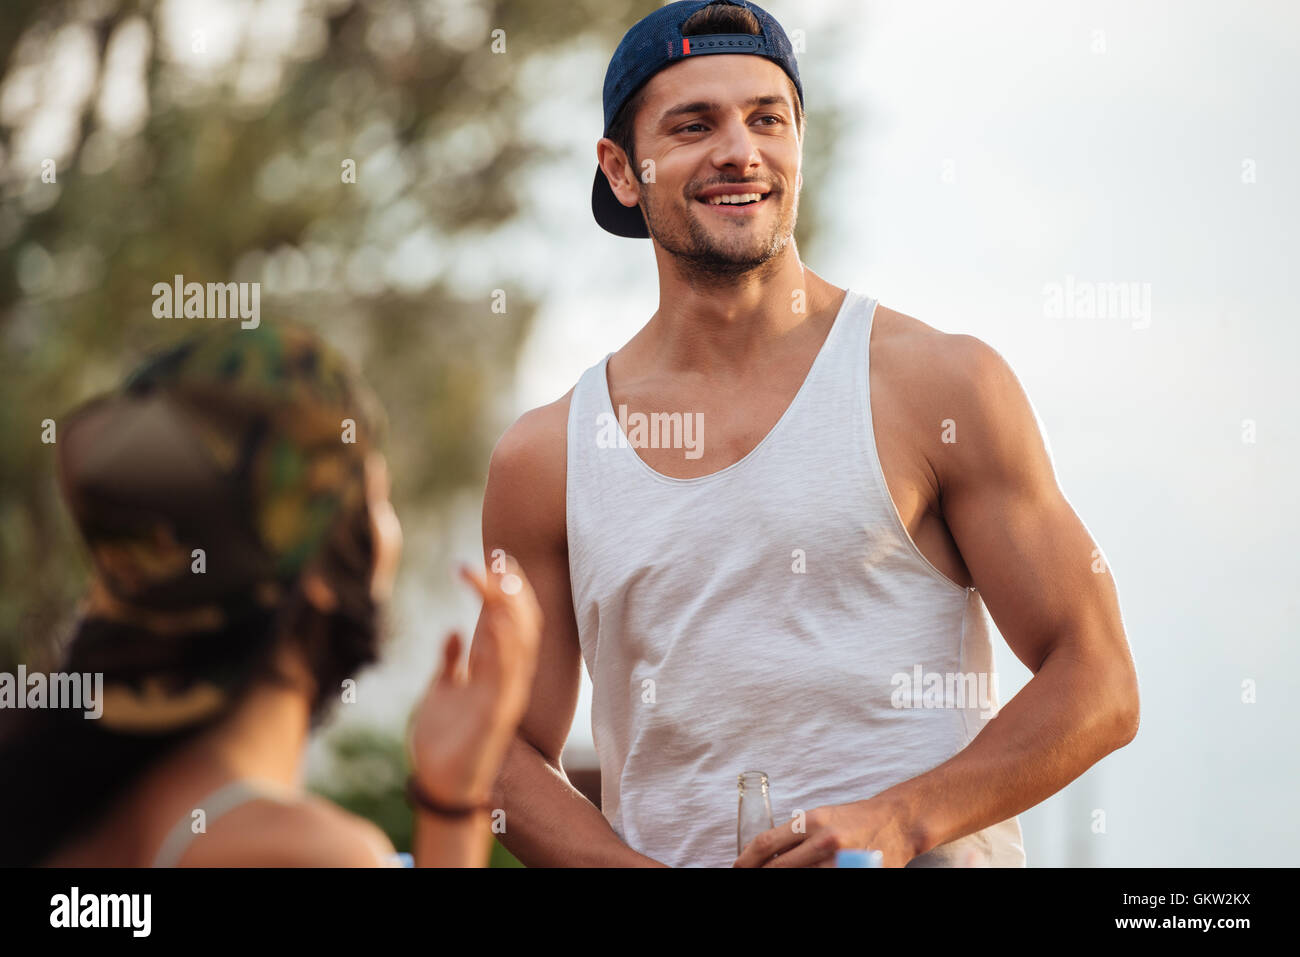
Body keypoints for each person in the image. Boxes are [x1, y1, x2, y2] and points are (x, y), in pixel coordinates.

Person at [483, 0, 1140, 867]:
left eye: (768, 119)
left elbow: (1099, 678)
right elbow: (501, 751)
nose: (738, 151)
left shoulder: (939, 385)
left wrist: (899, 821)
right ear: (620, 169)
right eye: (693, 125)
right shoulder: (547, 456)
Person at [0, 321, 541, 867]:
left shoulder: (69, 808)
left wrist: (452, 797)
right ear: (321, 574)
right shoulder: (303, 854)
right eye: (378, 498)